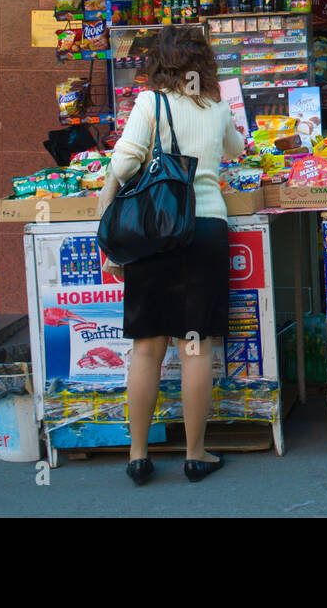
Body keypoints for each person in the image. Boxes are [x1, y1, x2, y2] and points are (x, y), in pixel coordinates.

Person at [97, 26, 244, 486]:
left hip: (155, 233)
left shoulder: (150, 103)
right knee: (195, 348)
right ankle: (195, 455)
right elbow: (237, 150)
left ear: (158, 62)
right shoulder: (217, 107)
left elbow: (122, 165)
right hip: (205, 230)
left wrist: (106, 232)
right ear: (203, 62)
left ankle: (138, 456)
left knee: (146, 348)